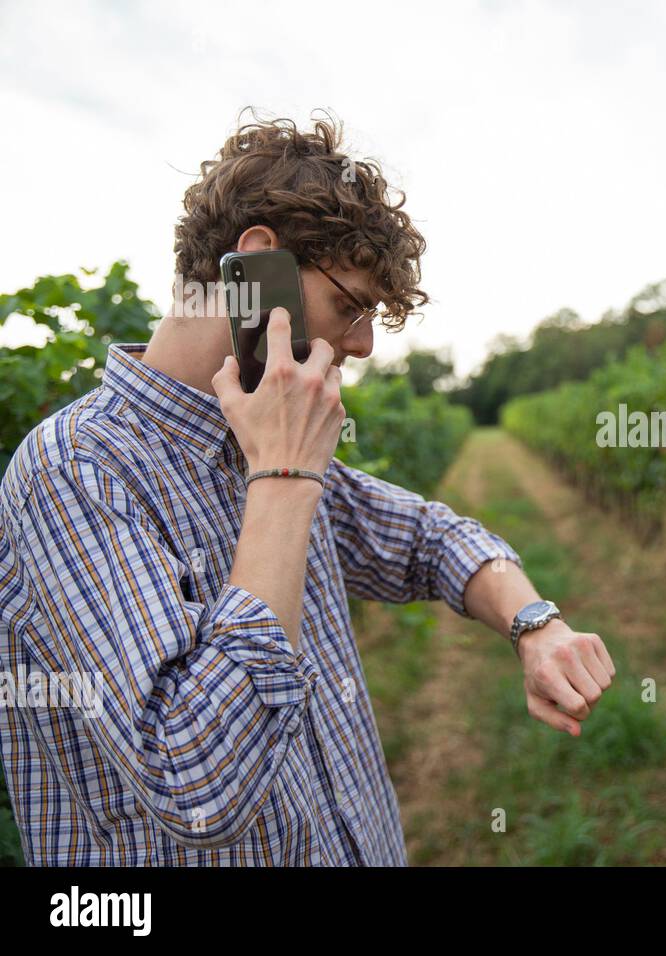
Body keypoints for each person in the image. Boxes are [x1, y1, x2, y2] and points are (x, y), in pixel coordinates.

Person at [0, 111, 615, 866]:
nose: (361, 344)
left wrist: (535, 625)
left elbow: (430, 540)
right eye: (351, 305)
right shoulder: (76, 471)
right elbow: (199, 787)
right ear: (259, 267)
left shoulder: (253, 436)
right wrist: (285, 481)